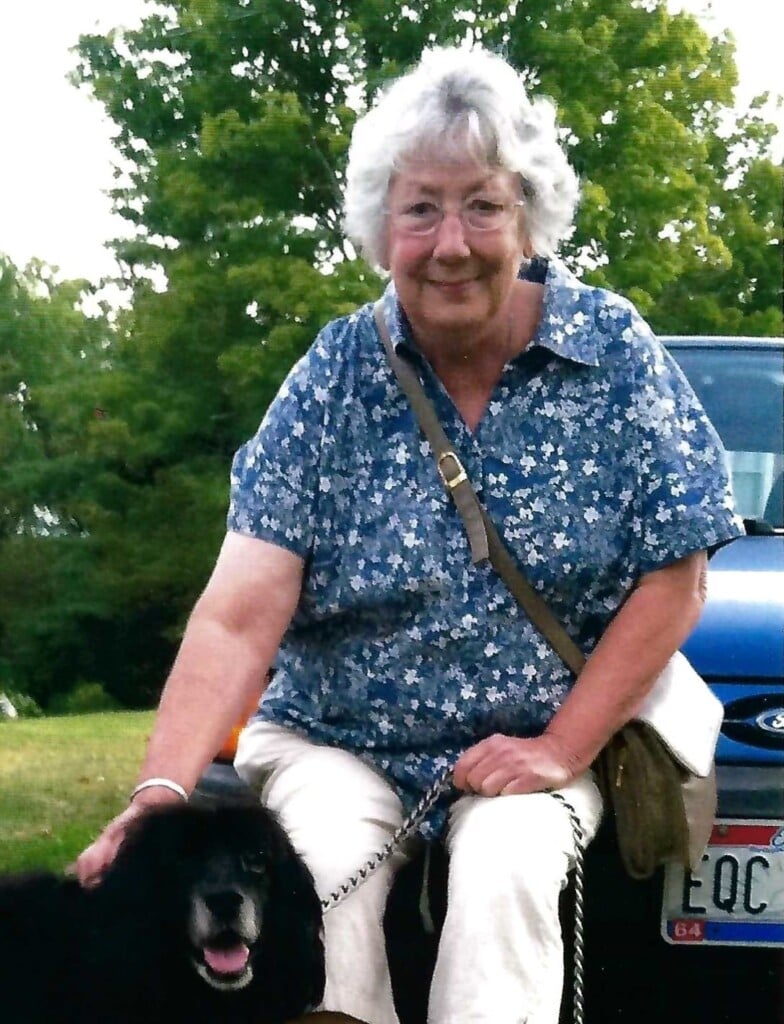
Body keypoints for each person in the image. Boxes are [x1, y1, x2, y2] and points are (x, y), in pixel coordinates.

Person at [76, 45, 743, 1024]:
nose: (451, 243)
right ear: (379, 226)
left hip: (536, 739)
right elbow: (237, 616)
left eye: (483, 205)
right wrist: (161, 792)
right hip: (335, 736)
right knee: (319, 874)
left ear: (528, 215)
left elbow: (675, 579)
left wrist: (559, 745)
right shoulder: (333, 377)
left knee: (505, 868)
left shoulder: (612, 351)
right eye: (420, 208)